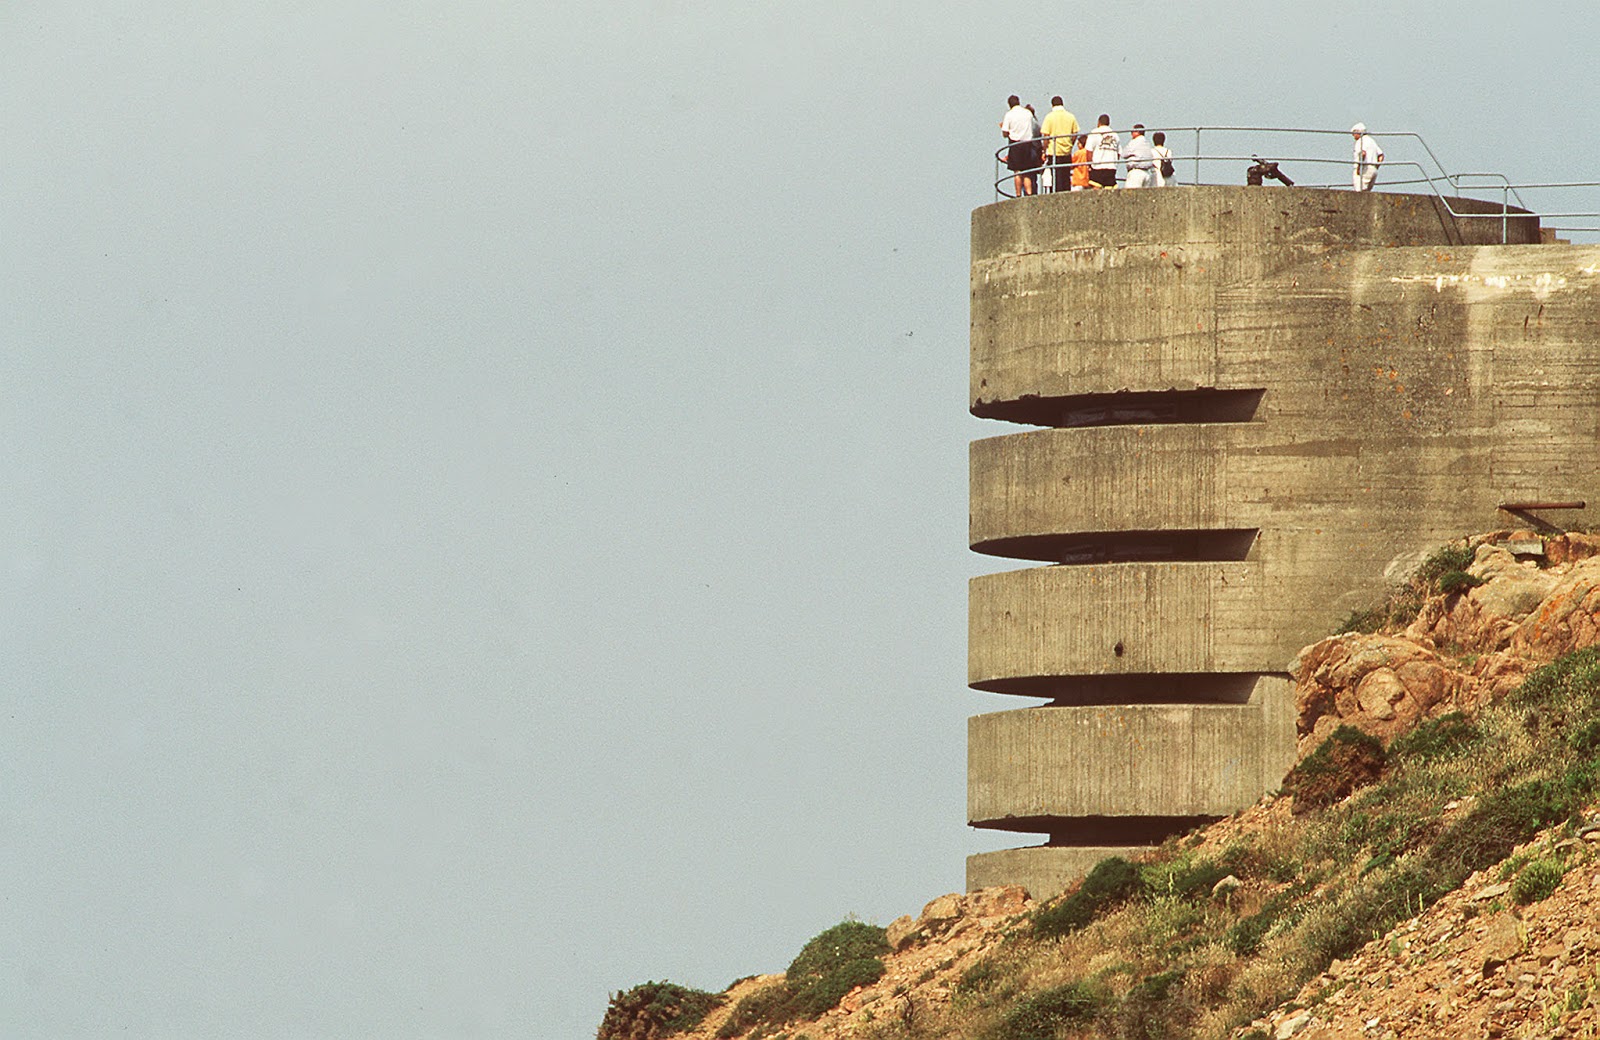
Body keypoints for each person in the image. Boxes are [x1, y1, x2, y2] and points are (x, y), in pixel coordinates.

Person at [1040, 96, 1080, 193]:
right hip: (1066, 151)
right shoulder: (1071, 116)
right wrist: (1071, 144)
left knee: (1056, 177)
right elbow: (1075, 133)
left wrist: (1044, 150)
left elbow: (1046, 136)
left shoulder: (1049, 117)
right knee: (1066, 176)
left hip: (1053, 151)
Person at [999, 95, 1038, 196]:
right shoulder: (1027, 113)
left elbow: (1005, 133)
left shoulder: (1009, 114)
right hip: (1027, 143)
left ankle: (1018, 194)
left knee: (1017, 171)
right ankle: (1029, 193)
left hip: (1015, 144)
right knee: (1027, 172)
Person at [1085, 114, 1119, 189]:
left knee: (1095, 188)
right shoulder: (1115, 135)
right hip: (1111, 168)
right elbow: (1119, 152)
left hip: (1098, 167)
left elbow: (1089, 151)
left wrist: (1089, 165)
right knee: (1110, 191)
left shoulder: (1094, 133)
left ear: (1099, 123)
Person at [1121, 124, 1157, 188]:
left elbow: (1124, 154)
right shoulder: (1147, 144)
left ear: (1137, 132)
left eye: (1133, 131)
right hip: (1146, 173)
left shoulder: (1134, 142)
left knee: (1131, 196)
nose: (1131, 133)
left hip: (1136, 172)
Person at [1351, 123, 1384, 191]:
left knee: (1359, 191)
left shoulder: (1360, 141)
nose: (1353, 136)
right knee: (1367, 193)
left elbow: (1363, 153)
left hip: (1364, 169)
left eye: (1354, 133)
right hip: (1373, 169)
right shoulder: (1371, 141)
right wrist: (1376, 166)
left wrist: (1359, 167)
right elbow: (1381, 155)